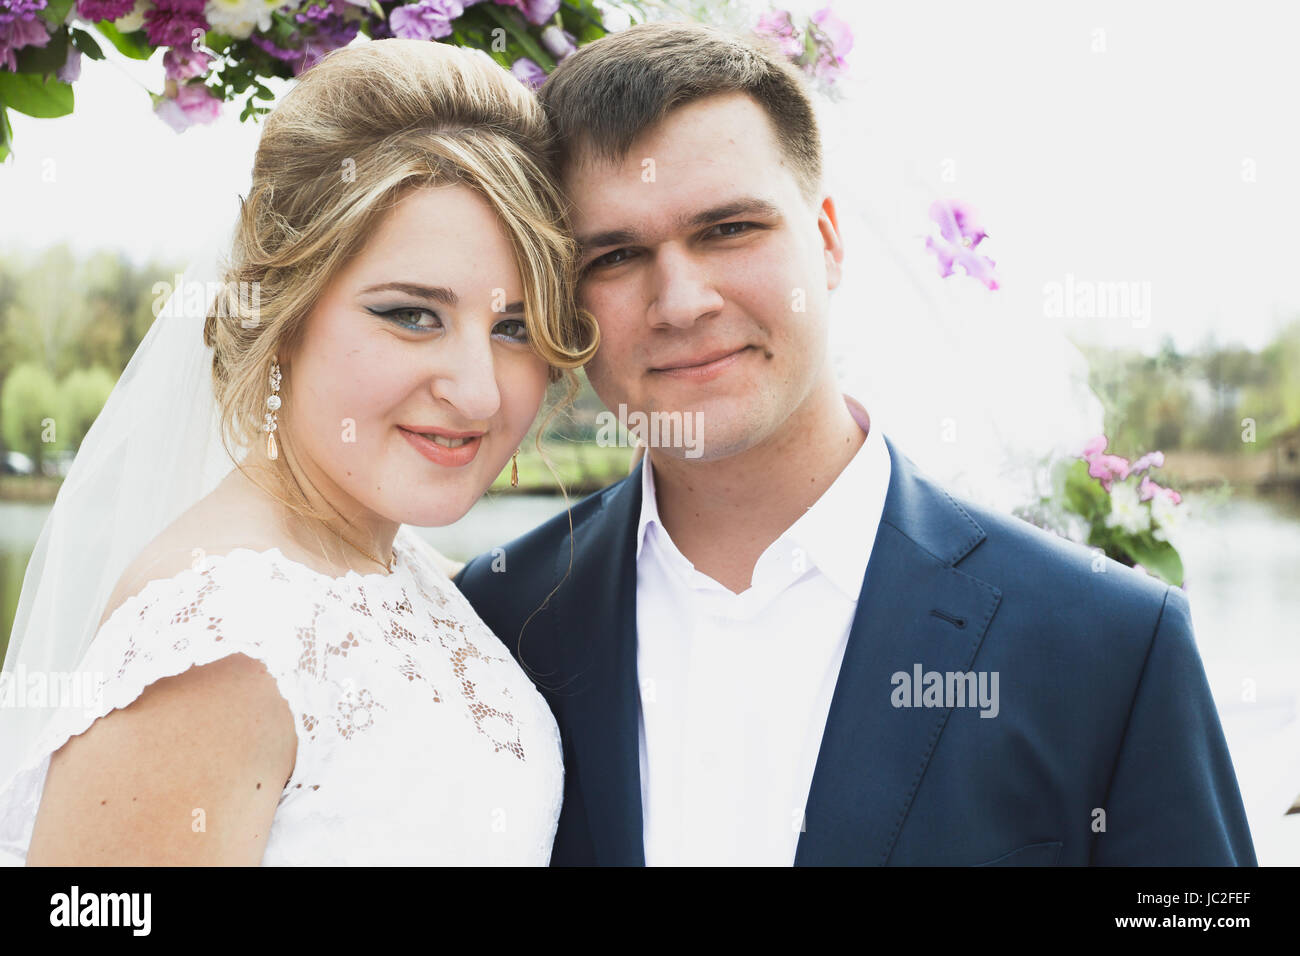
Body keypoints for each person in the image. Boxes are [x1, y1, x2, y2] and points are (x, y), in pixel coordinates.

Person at [454, 21, 1258, 866]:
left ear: (829, 242)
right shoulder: (496, 622)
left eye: (729, 229)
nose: (681, 301)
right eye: (615, 255)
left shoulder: (1110, 645)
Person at [0, 38, 598, 865]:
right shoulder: (216, 637)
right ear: (285, 316)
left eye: (513, 329)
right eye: (411, 314)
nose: (480, 392)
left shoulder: (404, 567)